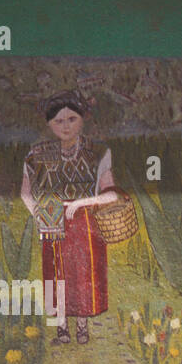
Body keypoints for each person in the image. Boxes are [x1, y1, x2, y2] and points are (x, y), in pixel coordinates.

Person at [19, 89, 119, 345]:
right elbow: (25, 194)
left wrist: (84, 202)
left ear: (82, 119)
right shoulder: (35, 155)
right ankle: (61, 328)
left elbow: (111, 195)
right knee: (56, 272)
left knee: (82, 273)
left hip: (85, 222)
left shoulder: (97, 152)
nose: (65, 126)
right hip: (52, 219)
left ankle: (82, 326)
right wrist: (39, 215)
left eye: (71, 119)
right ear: (50, 124)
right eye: (58, 121)